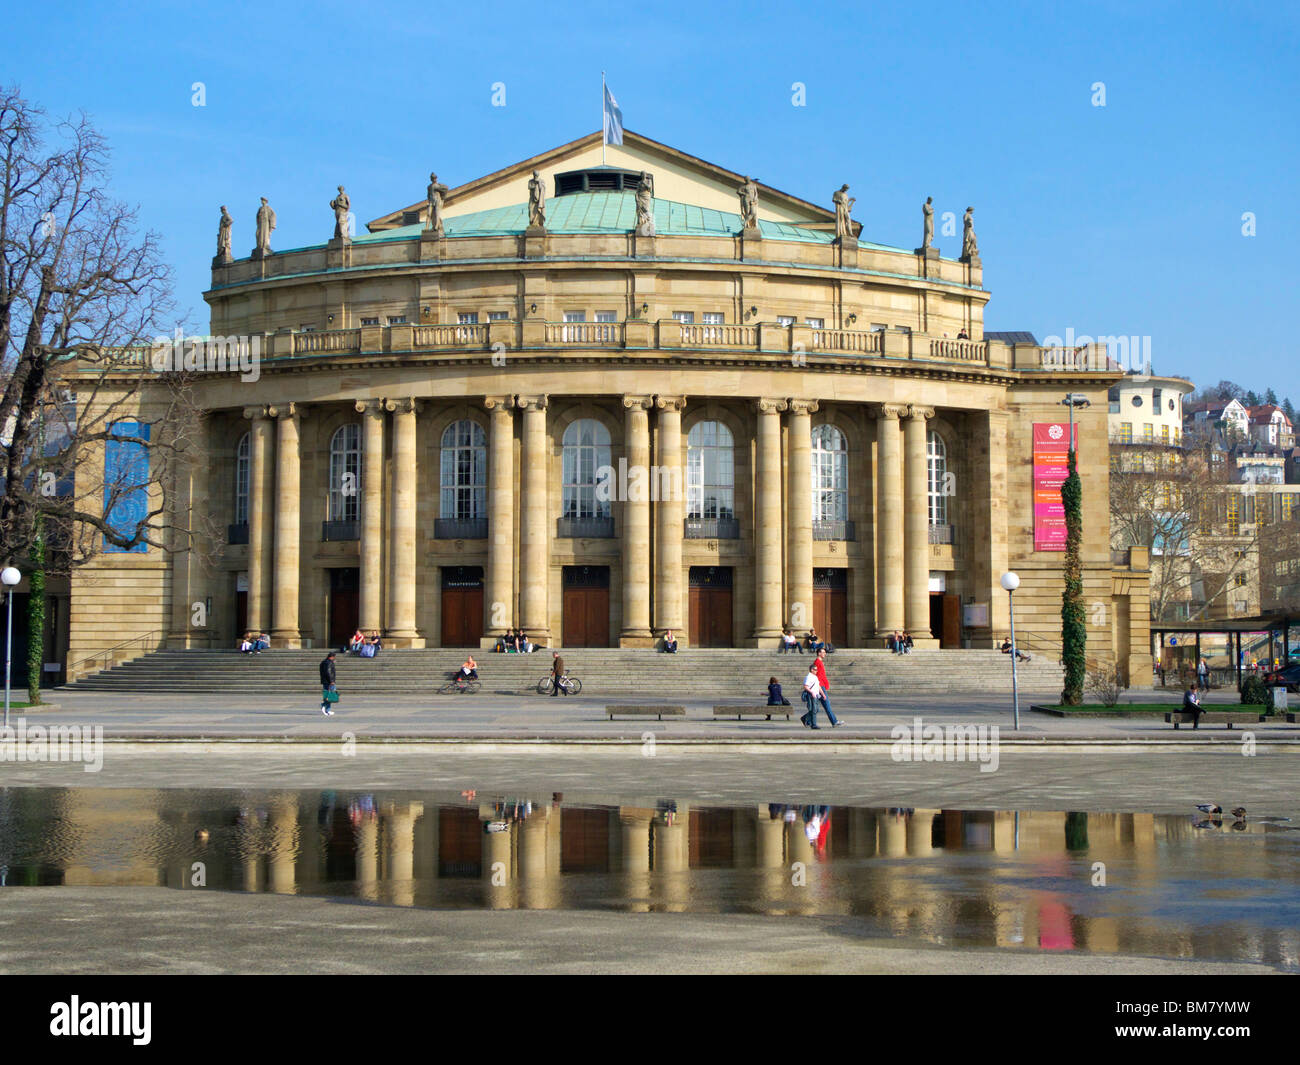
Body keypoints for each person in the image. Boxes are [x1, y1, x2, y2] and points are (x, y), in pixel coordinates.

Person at [813, 648, 842, 727]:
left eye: (825, 652)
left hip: (821, 686)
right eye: (823, 652)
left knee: (818, 705)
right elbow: (816, 677)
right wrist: (820, 689)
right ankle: (834, 722)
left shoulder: (820, 662)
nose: (825, 653)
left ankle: (806, 720)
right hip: (819, 686)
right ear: (819, 653)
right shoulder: (817, 662)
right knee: (826, 704)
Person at [319, 652, 337, 716]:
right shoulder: (329, 663)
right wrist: (331, 681)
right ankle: (323, 705)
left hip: (325, 681)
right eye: (334, 657)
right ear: (332, 657)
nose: (334, 658)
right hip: (329, 682)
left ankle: (328, 710)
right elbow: (328, 672)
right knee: (330, 696)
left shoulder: (323, 662)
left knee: (329, 695)